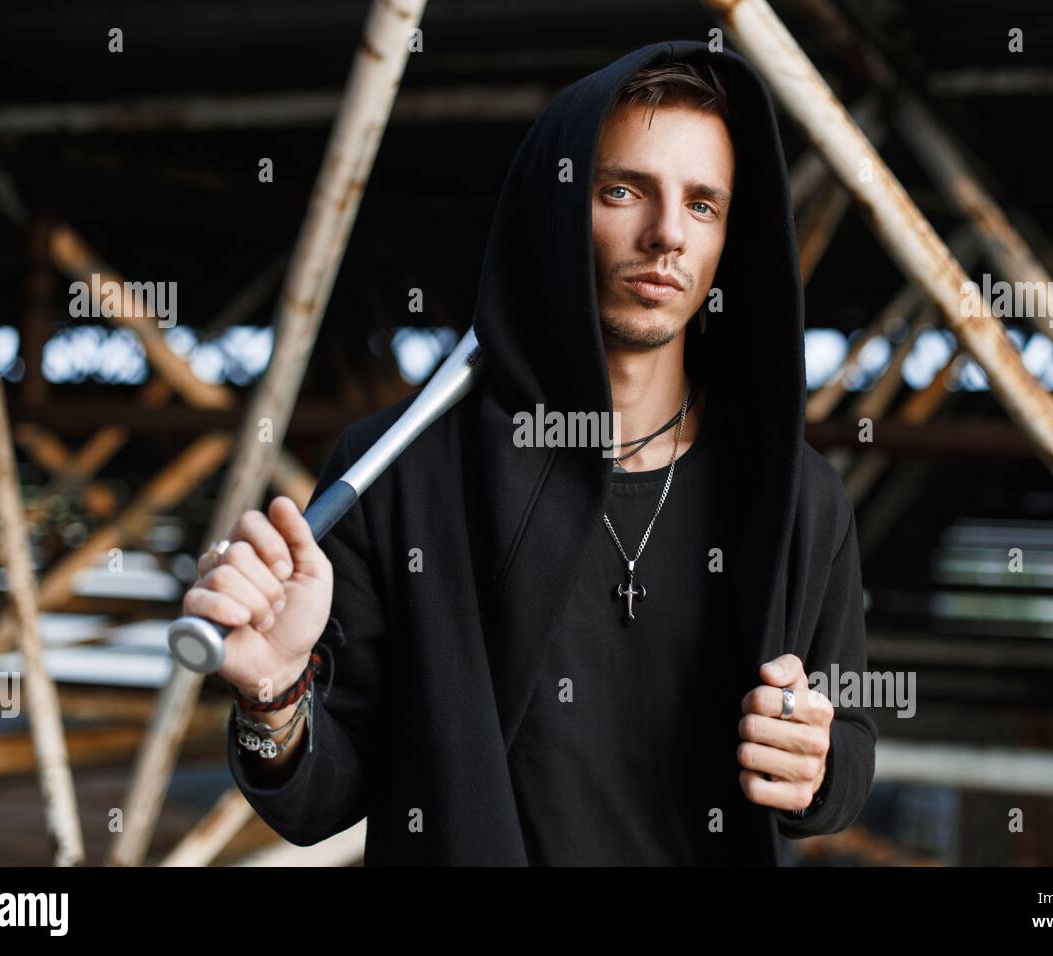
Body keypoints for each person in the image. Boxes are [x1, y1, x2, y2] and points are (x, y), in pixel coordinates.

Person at [183, 39, 876, 865]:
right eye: (623, 191)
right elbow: (323, 799)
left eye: (703, 205)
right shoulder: (397, 473)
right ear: (553, 209)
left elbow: (849, 735)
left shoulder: (797, 496)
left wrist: (820, 768)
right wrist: (273, 696)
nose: (665, 237)